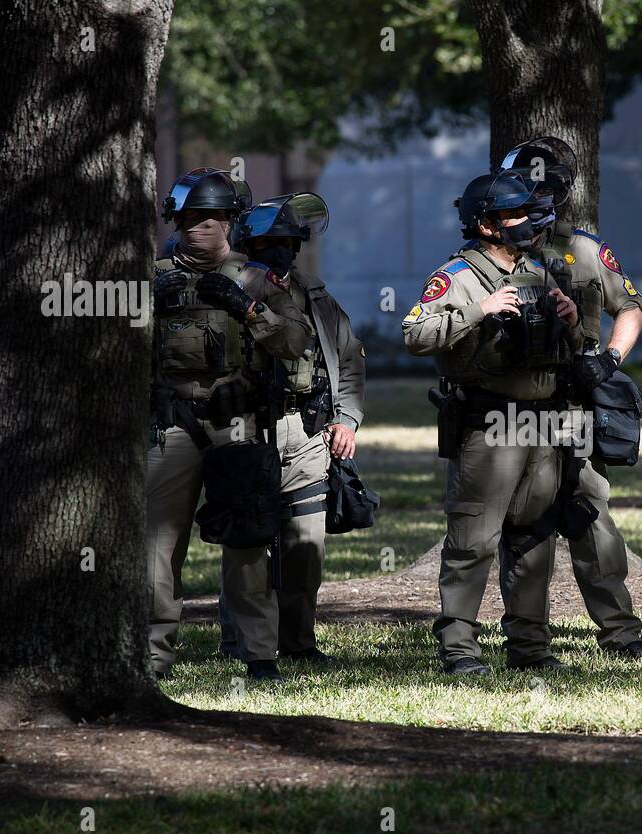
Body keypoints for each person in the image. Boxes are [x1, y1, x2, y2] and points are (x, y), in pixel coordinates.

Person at [403, 170, 580, 676]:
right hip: (489, 423)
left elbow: (562, 350)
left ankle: (530, 648)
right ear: (486, 224)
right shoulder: (457, 275)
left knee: (535, 537)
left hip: (542, 424)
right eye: (515, 214)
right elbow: (415, 334)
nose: (528, 222)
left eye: (529, 212)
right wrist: (479, 310)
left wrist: (566, 320)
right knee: (474, 540)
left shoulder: (538, 271)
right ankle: (459, 649)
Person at [149, 168, 313, 681]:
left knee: (247, 543)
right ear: (176, 219)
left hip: (239, 426)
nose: (202, 227)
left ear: (230, 221)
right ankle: (153, 656)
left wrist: (247, 309)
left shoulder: (258, 278)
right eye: (193, 218)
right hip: (171, 425)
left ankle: (259, 655)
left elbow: (296, 342)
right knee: (157, 546)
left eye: (214, 218)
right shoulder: (152, 279)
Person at [499, 137, 642, 659]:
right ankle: (527, 642)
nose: (536, 193)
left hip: (575, 408)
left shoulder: (586, 250)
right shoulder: (492, 254)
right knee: (526, 523)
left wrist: (607, 361)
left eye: (545, 184)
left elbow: (629, 307)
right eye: (525, 185)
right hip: (515, 411)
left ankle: (621, 635)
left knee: (592, 519)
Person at [215, 193, 367, 672]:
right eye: (270, 243)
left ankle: (299, 641)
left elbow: (348, 360)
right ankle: (239, 640)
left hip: (306, 432)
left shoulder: (314, 294)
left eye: (289, 243)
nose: (281, 252)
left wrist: (347, 417)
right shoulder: (221, 290)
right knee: (247, 540)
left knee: (305, 545)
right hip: (242, 430)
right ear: (247, 243)